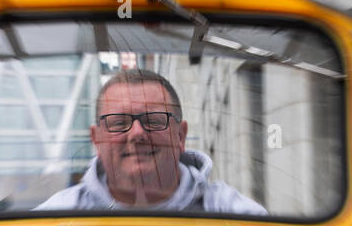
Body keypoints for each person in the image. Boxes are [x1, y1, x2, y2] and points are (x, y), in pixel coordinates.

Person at [36, 68, 268, 214]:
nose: (137, 134)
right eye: (118, 122)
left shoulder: (238, 216)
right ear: (97, 140)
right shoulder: (52, 220)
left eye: (155, 120)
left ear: (180, 136)